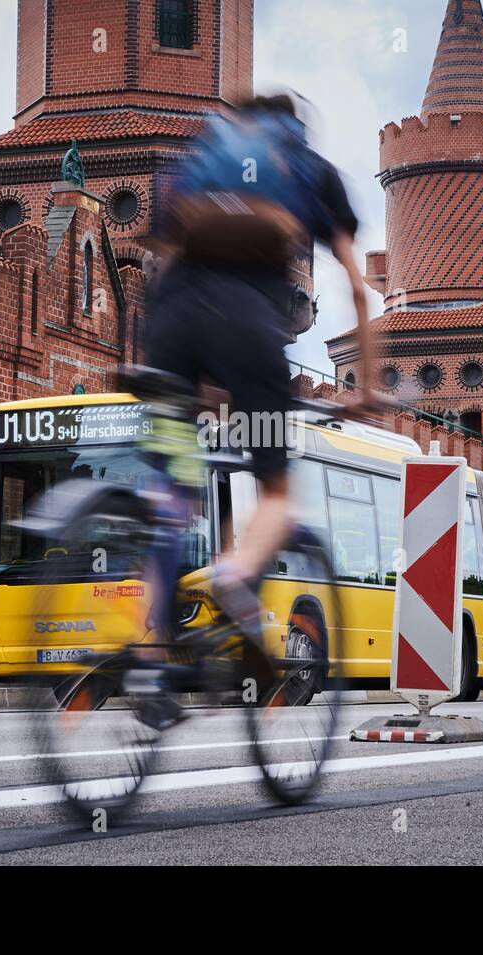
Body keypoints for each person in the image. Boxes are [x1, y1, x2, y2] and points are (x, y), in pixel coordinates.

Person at [143, 93, 377, 630]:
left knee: (170, 493)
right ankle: (234, 573)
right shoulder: (311, 170)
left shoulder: (203, 155)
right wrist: (361, 388)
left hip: (170, 323)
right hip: (248, 329)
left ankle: (151, 658)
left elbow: (162, 253)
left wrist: (186, 375)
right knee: (276, 491)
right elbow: (359, 288)